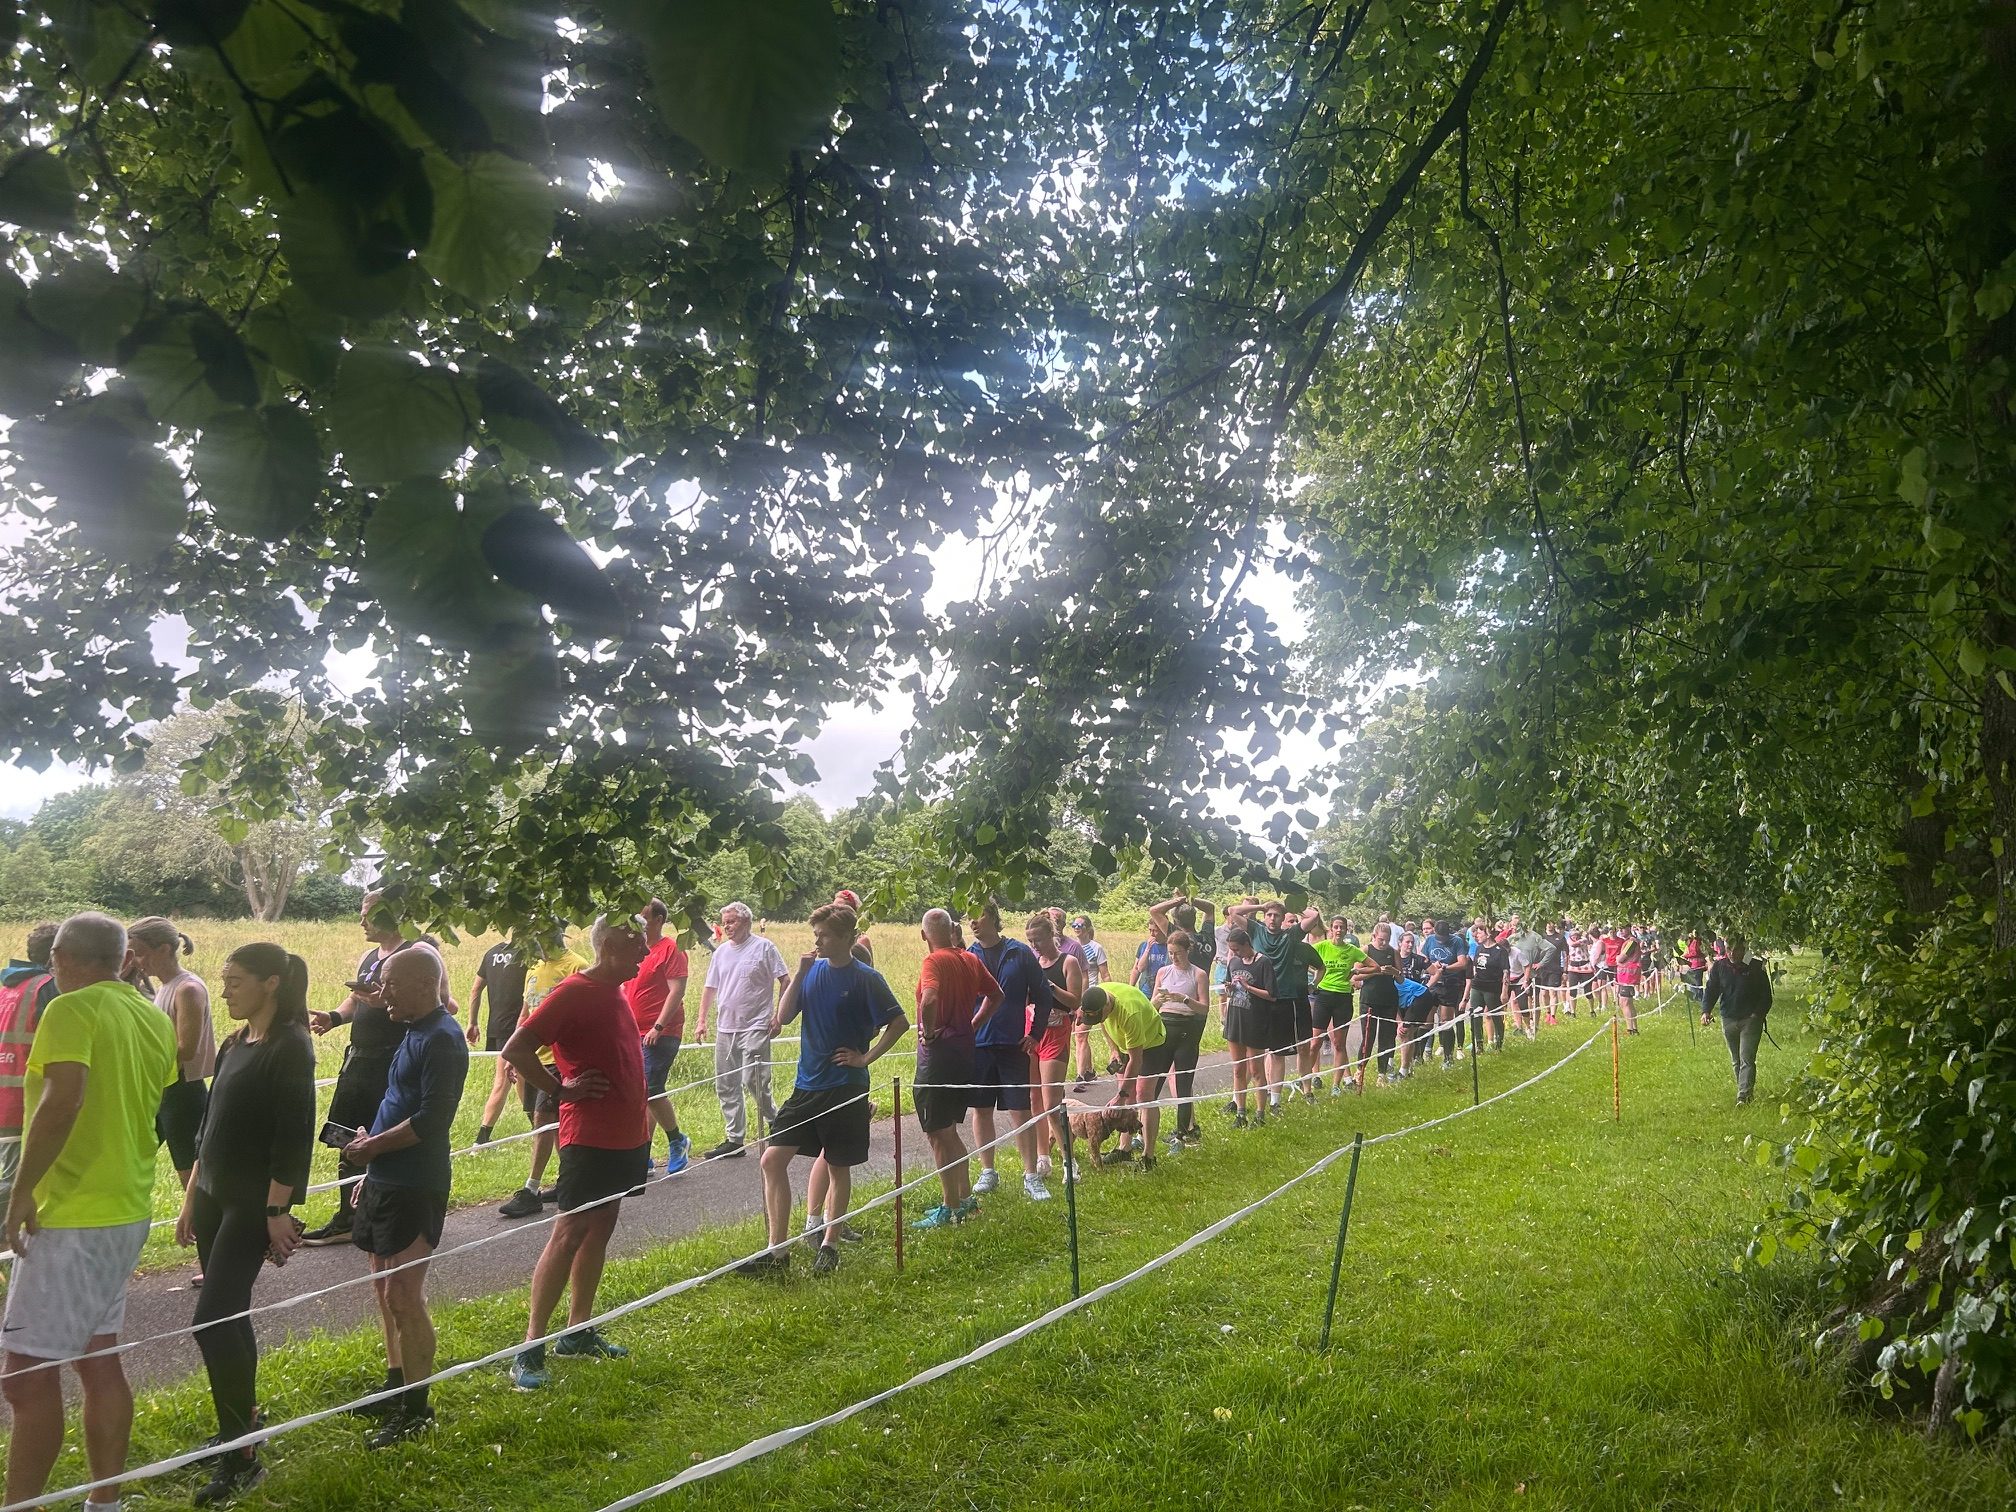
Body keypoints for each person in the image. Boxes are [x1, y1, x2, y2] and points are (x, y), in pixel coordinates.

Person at [2, 912, 178, 1510]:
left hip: (72, 1213)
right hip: (125, 1206)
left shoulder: (69, 1009)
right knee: (98, 1360)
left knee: (24, 1374)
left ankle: (19, 1503)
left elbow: (64, 1099)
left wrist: (21, 1192)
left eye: (54, 961)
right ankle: (105, 1501)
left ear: (64, 959)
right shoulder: (150, 1016)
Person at [174, 943, 315, 1504]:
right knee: (231, 1314)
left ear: (271, 983)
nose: (225, 989)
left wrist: (278, 1212)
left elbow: (294, 1135)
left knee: (211, 1321)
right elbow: (208, 1130)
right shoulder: (235, 1044)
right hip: (211, 1198)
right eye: (224, 979)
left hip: (251, 1206)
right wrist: (190, 1198)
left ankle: (240, 1456)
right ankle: (242, 1424)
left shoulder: (291, 1047)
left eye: (235, 981)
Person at [506, 916, 650, 1390]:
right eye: (638, 945)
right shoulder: (573, 990)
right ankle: (530, 1346)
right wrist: (560, 1090)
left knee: (601, 1227)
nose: (646, 953)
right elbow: (517, 1048)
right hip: (588, 1137)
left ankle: (577, 1331)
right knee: (568, 1232)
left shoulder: (616, 991)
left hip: (626, 1136)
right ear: (610, 946)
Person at [340, 947, 468, 1446]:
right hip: (386, 1178)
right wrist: (370, 1159)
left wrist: (372, 1148)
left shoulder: (443, 1039)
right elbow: (397, 1102)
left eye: (389, 983)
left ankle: (417, 1409)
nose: (381, 992)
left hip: (417, 1181)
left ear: (422, 982)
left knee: (404, 1297)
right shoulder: (413, 1030)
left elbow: (433, 1120)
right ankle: (395, 1386)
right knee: (381, 1287)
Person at [742, 903, 909, 1277]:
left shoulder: (866, 978)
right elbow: (783, 1017)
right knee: (771, 1159)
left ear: (847, 937)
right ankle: (777, 1252)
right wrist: (800, 974)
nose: (817, 941)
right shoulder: (811, 971)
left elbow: (899, 1022)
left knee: (838, 1164)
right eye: (815, 934)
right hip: (807, 1083)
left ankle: (830, 1243)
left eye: (825, 935)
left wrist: (865, 1058)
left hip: (845, 1086)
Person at [302, 894, 455, 1245]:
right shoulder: (370, 957)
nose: (361, 921)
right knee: (341, 1134)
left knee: (380, 1134)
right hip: (359, 1057)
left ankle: (376, 1211)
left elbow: (442, 1003)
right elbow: (355, 1000)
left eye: (368, 914)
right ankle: (346, 1215)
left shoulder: (419, 953)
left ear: (393, 913)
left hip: (392, 1058)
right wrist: (335, 1017)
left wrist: (385, 998)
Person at [910, 909, 1002, 1230]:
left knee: (937, 1134)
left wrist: (930, 1030)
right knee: (949, 1131)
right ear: (952, 930)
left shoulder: (933, 961)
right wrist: (973, 1024)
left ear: (924, 935)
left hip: (938, 1059)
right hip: (965, 1054)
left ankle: (948, 1208)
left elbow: (930, 998)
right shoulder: (970, 959)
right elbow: (996, 995)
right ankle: (964, 1200)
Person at [498, 928, 589, 1219]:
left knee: (543, 1122)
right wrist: (512, 1056)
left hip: (558, 1060)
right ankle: (572, 1181)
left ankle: (531, 1190)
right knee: (552, 1126)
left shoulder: (577, 965)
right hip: (532, 1059)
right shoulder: (534, 968)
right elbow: (526, 1014)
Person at [966, 904, 1052, 1201]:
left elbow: (1043, 995)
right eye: (969, 918)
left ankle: (1031, 1175)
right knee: (981, 1109)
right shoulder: (968, 955)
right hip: (978, 1045)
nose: (973, 923)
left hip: (1014, 1043)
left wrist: (1036, 1034)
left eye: (978, 916)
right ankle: (988, 1171)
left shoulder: (1019, 952)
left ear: (992, 917)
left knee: (1020, 1109)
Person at [697, 902, 788, 1160]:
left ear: (746, 922)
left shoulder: (764, 947)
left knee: (754, 1080)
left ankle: (775, 1122)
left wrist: (778, 1016)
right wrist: (701, 1020)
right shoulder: (721, 952)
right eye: (724, 921)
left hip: (757, 1024)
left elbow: (785, 979)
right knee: (726, 1083)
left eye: (732, 921)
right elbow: (709, 987)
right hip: (726, 1027)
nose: (727, 926)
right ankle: (735, 1140)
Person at [128, 917, 213, 1190]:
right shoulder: (164, 987)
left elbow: (185, 1049)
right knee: (135, 1158)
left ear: (164, 949)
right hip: (164, 1089)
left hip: (182, 1091)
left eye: (139, 952)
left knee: (190, 1174)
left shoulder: (187, 989)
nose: (135, 960)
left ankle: (202, 1228)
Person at [1228, 900, 1320, 1108]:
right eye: (1269, 915)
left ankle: (1275, 1101)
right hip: (1256, 1000)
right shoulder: (1256, 931)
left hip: (1282, 999)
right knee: (1252, 1057)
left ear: (1282, 918)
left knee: (1279, 1052)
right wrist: (1259, 908)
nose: (1272, 919)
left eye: (1277, 915)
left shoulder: (1291, 935)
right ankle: (1240, 1100)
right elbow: (1233, 911)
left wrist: (1289, 905)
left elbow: (1313, 916)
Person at [625, 900, 692, 1176]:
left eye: (644, 917)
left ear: (659, 919)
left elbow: (677, 991)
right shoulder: (637, 951)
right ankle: (644, 1154)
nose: (639, 923)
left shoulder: (671, 949)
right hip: (633, 1031)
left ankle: (677, 1140)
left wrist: (659, 1026)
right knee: (643, 1091)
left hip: (661, 1032)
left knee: (650, 1087)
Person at [0, 922, 61, 1214]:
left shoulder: (7, 988)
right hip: (23, 1104)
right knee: (12, 1185)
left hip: (4, 1100)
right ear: (55, 955)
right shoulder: (48, 989)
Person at [1077, 982, 1169, 1167]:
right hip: (1125, 1044)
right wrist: (1114, 1050)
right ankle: (1124, 1149)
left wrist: (1121, 1096)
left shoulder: (1129, 1013)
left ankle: (1148, 1156)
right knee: (1126, 1092)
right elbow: (1104, 1024)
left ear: (1106, 1006)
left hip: (1151, 1044)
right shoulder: (1098, 996)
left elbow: (1136, 1060)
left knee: (1143, 1095)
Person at [1026, 912, 1084, 1177]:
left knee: (1051, 1103)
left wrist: (1049, 988)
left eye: (1038, 939)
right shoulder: (1033, 962)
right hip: (1032, 1031)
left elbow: (1074, 1001)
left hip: (1057, 1031)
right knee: (1034, 1100)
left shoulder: (1068, 962)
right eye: (1030, 941)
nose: (1035, 945)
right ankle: (1042, 1158)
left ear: (1052, 935)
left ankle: (1069, 1161)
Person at [1149, 930, 1210, 1145]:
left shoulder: (1198, 974)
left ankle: (1183, 1132)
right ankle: (1142, 1130)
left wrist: (1184, 999)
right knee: (1155, 1080)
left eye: (1178, 954)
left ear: (1187, 951)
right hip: (1165, 1028)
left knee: (1183, 1082)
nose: (1174, 958)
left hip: (1186, 1030)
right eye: (1171, 953)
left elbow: (1204, 1008)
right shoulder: (1163, 972)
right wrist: (1159, 999)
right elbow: (1152, 1005)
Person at [469, 935, 528, 1145]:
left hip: (496, 1027)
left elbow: (476, 989)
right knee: (508, 1080)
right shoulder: (529, 954)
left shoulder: (492, 953)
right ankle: (481, 1140)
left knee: (516, 1079)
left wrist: (473, 1022)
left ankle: (538, 1127)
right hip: (518, 1027)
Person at [1701, 933, 1772, 1104]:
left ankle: (1744, 1096)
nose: (1733, 953)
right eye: (1729, 949)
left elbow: (1766, 995)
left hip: (1750, 1019)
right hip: (1728, 1017)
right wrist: (1706, 1011)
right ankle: (1743, 1087)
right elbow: (1712, 989)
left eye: (1737, 949)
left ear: (1744, 949)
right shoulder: (1719, 967)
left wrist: (1757, 1015)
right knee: (1736, 1060)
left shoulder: (1755, 966)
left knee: (1747, 1058)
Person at [1219, 927, 1277, 1124]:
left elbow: (1271, 995)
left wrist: (1248, 987)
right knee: (1238, 1069)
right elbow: (1229, 989)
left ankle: (1260, 1114)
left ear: (1246, 944)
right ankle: (1241, 1112)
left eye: (1236, 949)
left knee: (1256, 1070)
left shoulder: (1264, 963)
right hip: (1235, 1021)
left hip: (1255, 1022)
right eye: (1231, 950)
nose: (1234, 953)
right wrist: (1230, 988)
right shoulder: (1234, 962)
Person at [1310, 916, 1367, 1091]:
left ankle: (1336, 1085)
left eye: (1342, 927)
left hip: (1343, 998)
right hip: (1323, 996)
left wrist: (1355, 972)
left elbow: (1375, 967)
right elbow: (1304, 958)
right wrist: (1317, 973)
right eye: (1336, 927)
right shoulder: (1322, 946)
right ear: (1331, 930)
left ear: (1346, 930)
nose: (1339, 930)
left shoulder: (1352, 950)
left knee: (1339, 1044)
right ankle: (1307, 1080)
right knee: (1315, 1042)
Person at [1351, 923, 1402, 1084]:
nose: (1384, 943)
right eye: (1381, 940)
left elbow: (1401, 979)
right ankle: (1360, 1071)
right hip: (1369, 998)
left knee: (1386, 1038)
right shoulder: (1366, 950)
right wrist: (1375, 971)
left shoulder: (1393, 952)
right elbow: (1355, 977)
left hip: (1389, 999)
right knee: (1368, 1037)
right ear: (1374, 936)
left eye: (1386, 940)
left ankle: (1382, 1073)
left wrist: (1393, 972)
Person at [1421, 919, 1472, 1069]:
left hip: (1449, 984)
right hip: (1432, 983)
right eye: (1439, 938)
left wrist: (1446, 968)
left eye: (1443, 938)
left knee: (1445, 1020)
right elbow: (1423, 959)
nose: (1441, 941)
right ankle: (1420, 1055)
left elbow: (1463, 963)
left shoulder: (1456, 941)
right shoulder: (1430, 940)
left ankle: (1448, 1058)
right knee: (1426, 1020)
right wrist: (1431, 966)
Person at [1470, 927, 1511, 1052]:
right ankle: (1479, 1044)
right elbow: (1475, 967)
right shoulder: (1479, 948)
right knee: (1476, 1015)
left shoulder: (1500, 951)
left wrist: (1504, 991)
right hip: (1477, 986)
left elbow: (1506, 971)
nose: (1477, 935)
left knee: (1495, 1015)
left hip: (1492, 988)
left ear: (1488, 935)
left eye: (1480, 933)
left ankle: (1499, 1044)